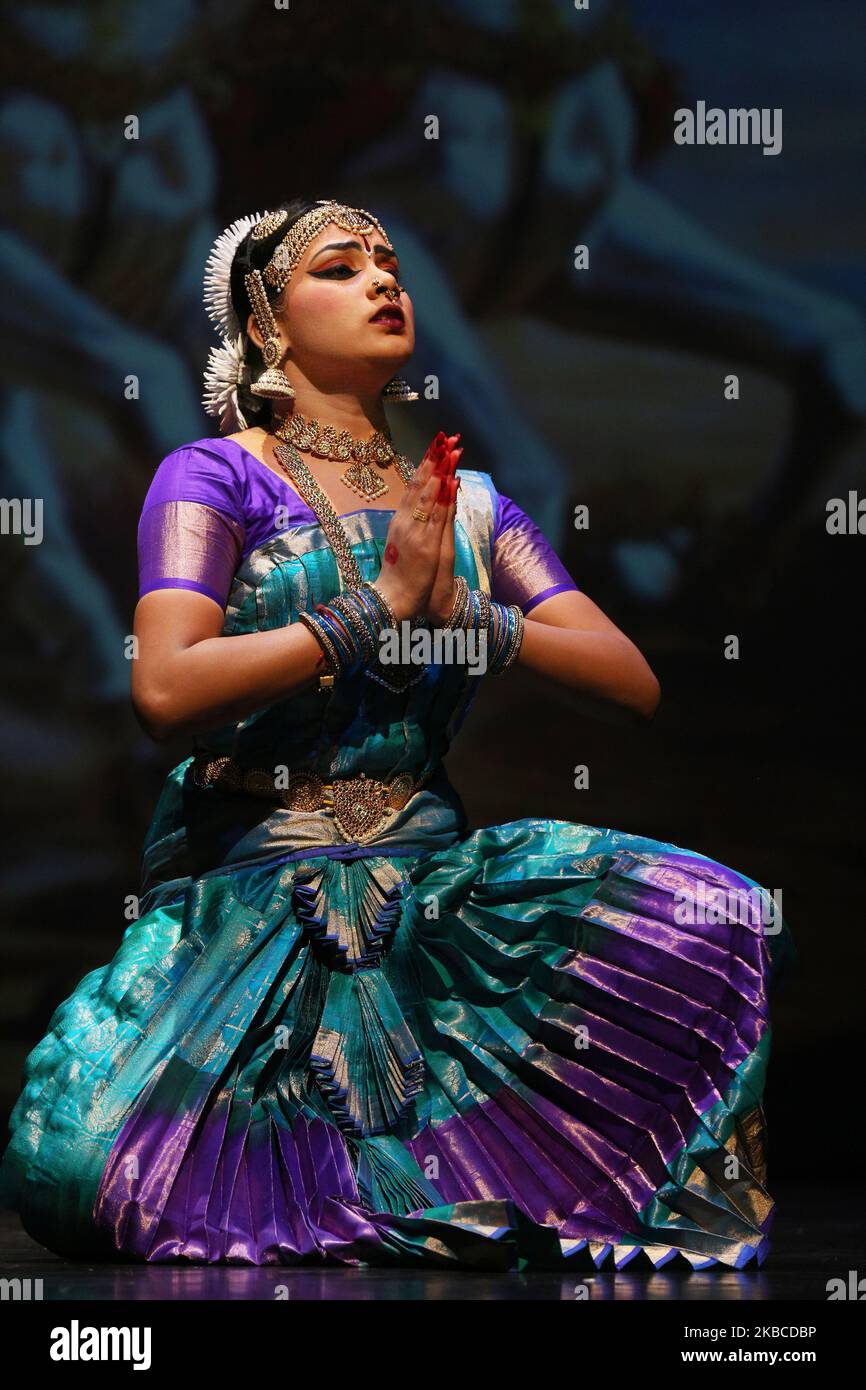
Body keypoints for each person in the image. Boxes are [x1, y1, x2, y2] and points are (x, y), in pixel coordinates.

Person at [0, 197, 794, 1271]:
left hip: (430, 902)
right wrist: (366, 611)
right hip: (253, 898)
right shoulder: (215, 476)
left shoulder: (465, 512)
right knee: (85, 1174)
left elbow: (629, 682)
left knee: (715, 913)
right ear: (268, 323)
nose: (384, 279)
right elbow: (168, 688)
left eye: (390, 263)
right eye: (340, 266)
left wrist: (466, 615)